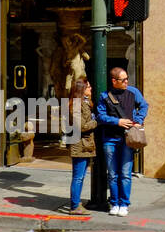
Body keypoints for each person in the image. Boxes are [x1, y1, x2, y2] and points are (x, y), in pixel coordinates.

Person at [96, 67, 149, 217]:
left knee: (125, 173)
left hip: (127, 138)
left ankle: (124, 203)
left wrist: (138, 120)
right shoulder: (104, 96)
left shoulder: (133, 92)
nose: (126, 82)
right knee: (112, 174)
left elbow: (144, 105)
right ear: (114, 81)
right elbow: (100, 115)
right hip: (110, 139)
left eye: (127, 79)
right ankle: (114, 203)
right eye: (123, 80)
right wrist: (117, 121)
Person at [59, 77, 97, 216]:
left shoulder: (84, 103)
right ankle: (75, 206)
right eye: (88, 87)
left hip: (85, 144)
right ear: (82, 89)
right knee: (78, 176)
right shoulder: (76, 105)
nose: (91, 89)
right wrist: (95, 122)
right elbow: (81, 126)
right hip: (79, 144)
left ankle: (77, 203)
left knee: (80, 176)